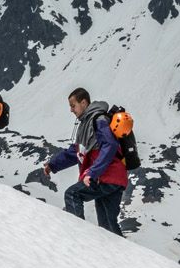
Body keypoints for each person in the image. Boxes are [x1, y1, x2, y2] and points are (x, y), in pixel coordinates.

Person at [42, 87, 128, 235]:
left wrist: (93, 173)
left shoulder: (98, 120)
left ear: (83, 102)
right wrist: (52, 165)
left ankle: (79, 237)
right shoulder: (86, 123)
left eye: (73, 105)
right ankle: (121, 257)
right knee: (108, 226)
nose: (71, 110)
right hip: (113, 178)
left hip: (106, 176)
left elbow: (110, 145)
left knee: (73, 194)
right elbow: (75, 152)